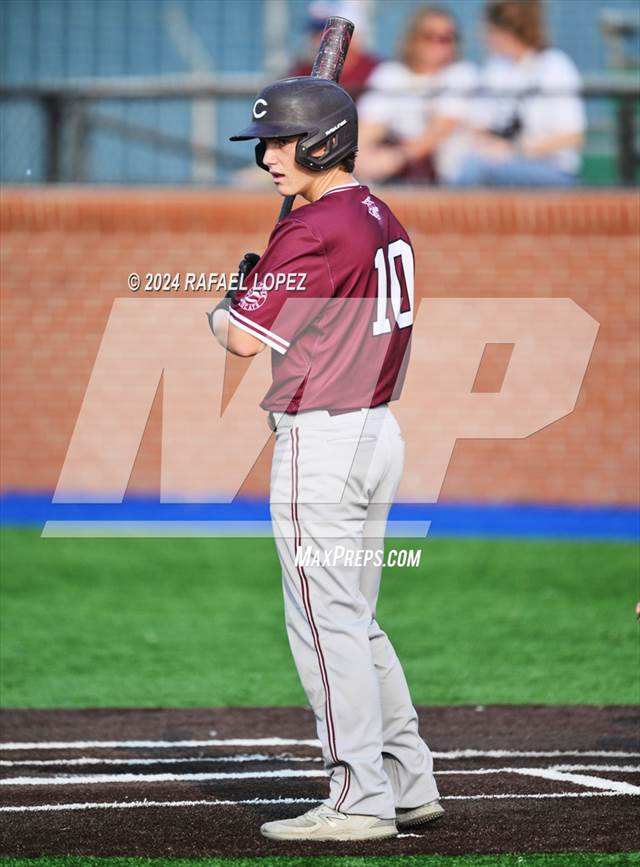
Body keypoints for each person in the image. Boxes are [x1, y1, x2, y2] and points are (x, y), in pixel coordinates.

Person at [209, 76, 443, 842]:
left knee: (324, 623)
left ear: (323, 141)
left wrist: (229, 299)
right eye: (266, 144)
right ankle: (408, 781)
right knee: (354, 619)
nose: (270, 157)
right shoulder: (380, 214)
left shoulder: (310, 229)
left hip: (323, 442)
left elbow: (243, 339)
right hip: (376, 436)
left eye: (282, 142)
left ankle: (359, 798)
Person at [453, 0, 586, 187]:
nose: (486, 37)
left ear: (508, 32)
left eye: (490, 30)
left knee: (477, 168)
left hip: (553, 170)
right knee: (466, 161)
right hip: (502, 164)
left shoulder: (555, 66)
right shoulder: (496, 68)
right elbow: (478, 124)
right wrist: (488, 144)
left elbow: (573, 137)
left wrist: (515, 149)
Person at [356, 5, 478, 184]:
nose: (437, 44)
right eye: (429, 36)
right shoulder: (390, 73)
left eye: (445, 38)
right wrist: (361, 159)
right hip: (396, 170)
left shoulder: (461, 73)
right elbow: (368, 128)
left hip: (449, 174)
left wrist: (396, 158)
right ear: (412, 39)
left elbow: (439, 131)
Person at [288, 0, 380, 101]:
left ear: (353, 36)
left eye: (328, 32)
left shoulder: (381, 73)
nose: (316, 39)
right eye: (314, 31)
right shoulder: (301, 73)